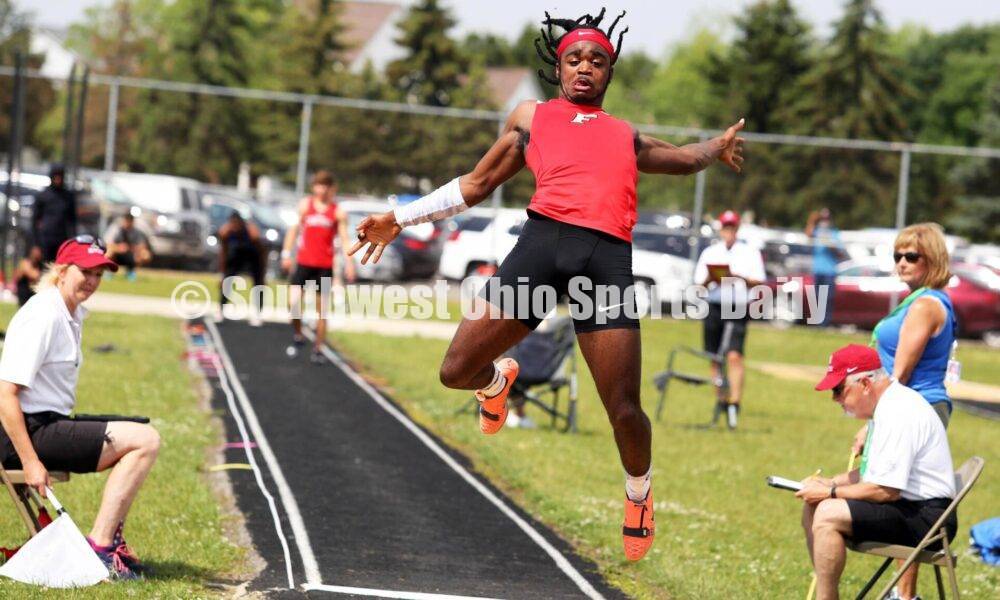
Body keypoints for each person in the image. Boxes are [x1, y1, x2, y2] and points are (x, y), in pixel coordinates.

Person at [349, 9, 745, 561]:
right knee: (455, 371)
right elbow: (475, 184)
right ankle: (495, 384)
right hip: (540, 250)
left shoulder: (624, 135)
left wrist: (714, 148)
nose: (585, 68)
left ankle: (639, 493)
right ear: (559, 69)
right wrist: (401, 217)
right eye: (575, 60)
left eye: (597, 61)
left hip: (605, 261)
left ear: (610, 72)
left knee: (624, 409)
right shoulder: (532, 118)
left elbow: (680, 159)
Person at [0, 237, 161, 580]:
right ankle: (101, 547)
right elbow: (5, 395)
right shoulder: (43, 315)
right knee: (145, 440)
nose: (91, 280)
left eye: (98, 274)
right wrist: (31, 463)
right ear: (61, 271)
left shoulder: (69, 312)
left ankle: (110, 540)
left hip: (47, 425)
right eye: (84, 271)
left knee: (137, 430)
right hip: (26, 434)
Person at [799, 344, 956, 600]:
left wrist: (830, 491)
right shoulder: (887, 406)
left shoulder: (898, 411)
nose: (835, 399)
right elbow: (874, 475)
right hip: (910, 507)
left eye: (839, 390)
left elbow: (885, 490)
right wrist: (826, 483)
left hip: (929, 520)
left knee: (827, 510)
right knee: (815, 504)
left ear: (864, 384)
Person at [852, 222, 958, 599]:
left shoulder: (927, 305)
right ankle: (904, 594)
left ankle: (905, 596)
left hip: (917, 406)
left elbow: (901, 372)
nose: (901, 262)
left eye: (911, 256)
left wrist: (876, 421)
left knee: (905, 498)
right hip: (910, 406)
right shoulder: (915, 299)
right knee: (902, 493)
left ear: (932, 258)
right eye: (897, 255)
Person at [693, 210, 766, 429]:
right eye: (725, 227)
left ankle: (735, 402)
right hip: (715, 305)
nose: (729, 231)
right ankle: (720, 398)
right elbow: (699, 285)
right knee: (714, 356)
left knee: (734, 355)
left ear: (737, 228)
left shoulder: (749, 252)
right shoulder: (710, 252)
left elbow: (759, 281)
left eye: (732, 227)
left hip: (737, 306)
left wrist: (739, 278)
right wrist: (710, 277)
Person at [280, 170, 356, 363]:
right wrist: (286, 254)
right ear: (313, 187)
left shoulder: (337, 212)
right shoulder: (306, 206)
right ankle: (298, 335)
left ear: (331, 188)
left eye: (325, 185)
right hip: (304, 262)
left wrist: (349, 262)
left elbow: (345, 239)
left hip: (324, 265)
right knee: (293, 303)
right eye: (318, 185)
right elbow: (293, 230)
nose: (321, 190)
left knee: (322, 311)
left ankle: (318, 348)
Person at [217, 210, 265, 326]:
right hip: (236, 256)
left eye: (236, 224)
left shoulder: (252, 233)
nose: (234, 227)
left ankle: (257, 314)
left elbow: (262, 252)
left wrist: (263, 273)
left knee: (258, 284)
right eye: (232, 224)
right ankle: (221, 310)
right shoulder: (225, 232)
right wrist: (222, 274)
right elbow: (223, 253)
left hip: (253, 256)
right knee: (226, 281)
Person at [31, 164, 78, 262]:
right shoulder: (43, 196)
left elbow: (72, 221)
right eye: (55, 176)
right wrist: (36, 244)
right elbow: (35, 221)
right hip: (45, 240)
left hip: (62, 239)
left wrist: (72, 242)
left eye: (60, 176)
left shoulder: (68, 197)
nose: (58, 179)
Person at [806, 208, 842, 327]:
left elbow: (840, 252)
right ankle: (816, 321)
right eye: (822, 218)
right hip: (818, 270)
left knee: (827, 298)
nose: (824, 221)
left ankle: (825, 323)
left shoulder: (834, 233)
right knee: (816, 297)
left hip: (830, 271)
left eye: (826, 218)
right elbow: (808, 234)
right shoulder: (817, 231)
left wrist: (830, 244)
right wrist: (812, 220)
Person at [104, 214, 152, 281]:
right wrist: (118, 247)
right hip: (117, 254)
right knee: (108, 252)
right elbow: (107, 244)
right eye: (126, 221)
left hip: (131, 254)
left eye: (130, 221)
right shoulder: (116, 229)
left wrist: (131, 248)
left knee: (145, 255)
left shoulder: (137, 231)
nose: (128, 223)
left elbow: (143, 246)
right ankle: (109, 270)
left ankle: (131, 271)